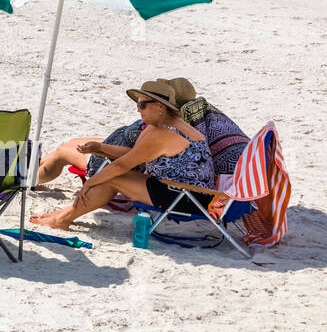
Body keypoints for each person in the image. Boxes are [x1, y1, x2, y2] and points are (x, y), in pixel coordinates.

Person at [30, 80, 214, 232]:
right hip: (178, 188)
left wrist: (90, 183)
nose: (138, 109)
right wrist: (100, 148)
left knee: (111, 178)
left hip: (187, 197)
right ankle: (63, 215)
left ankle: (62, 218)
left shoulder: (164, 132)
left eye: (142, 105)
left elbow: (121, 166)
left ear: (160, 106)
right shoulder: (165, 124)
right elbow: (135, 155)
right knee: (109, 175)